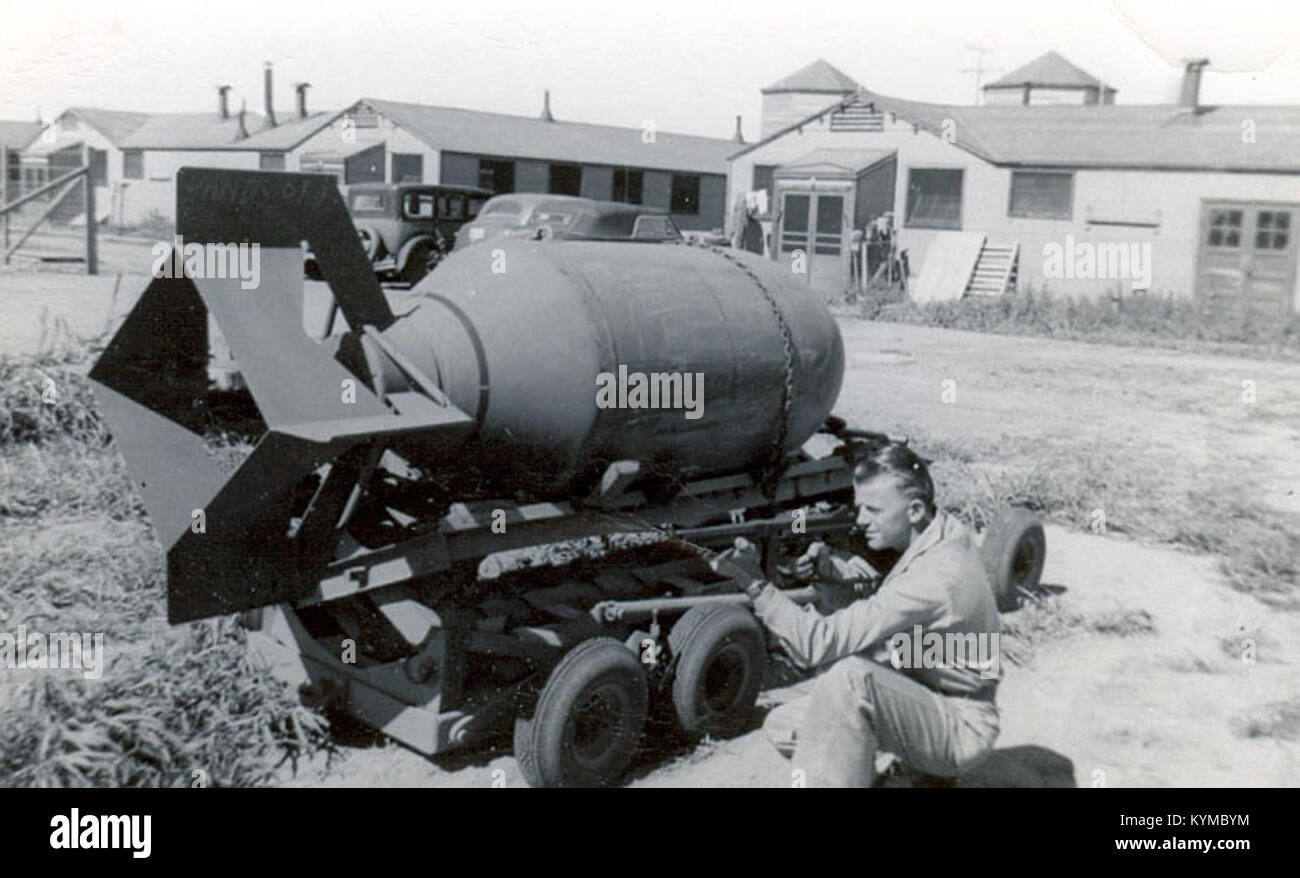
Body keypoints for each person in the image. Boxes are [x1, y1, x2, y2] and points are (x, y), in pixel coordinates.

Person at [715, 442, 1002, 788]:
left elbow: (816, 644)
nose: (861, 519)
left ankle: (919, 772)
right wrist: (833, 570)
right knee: (786, 724)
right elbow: (888, 600)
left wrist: (756, 585)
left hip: (962, 723)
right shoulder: (940, 533)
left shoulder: (938, 577)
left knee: (850, 679)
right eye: (859, 507)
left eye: (873, 510)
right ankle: (907, 776)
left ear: (914, 510)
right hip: (928, 695)